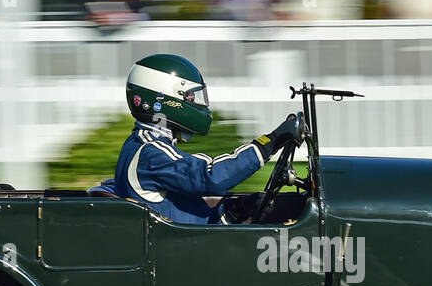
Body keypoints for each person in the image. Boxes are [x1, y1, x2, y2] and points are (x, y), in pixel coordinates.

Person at [111, 53, 302, 225]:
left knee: (261, 204)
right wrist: (270, 142)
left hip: (196, 239)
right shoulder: (150, 152)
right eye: (190, 97)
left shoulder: (143, 144)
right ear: (162, 100)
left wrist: (233, 208)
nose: (195, 102)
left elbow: (188, 207)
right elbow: (211, 176)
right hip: (187, 250)